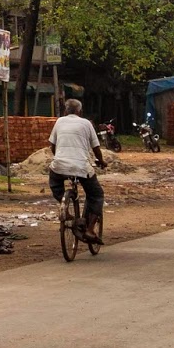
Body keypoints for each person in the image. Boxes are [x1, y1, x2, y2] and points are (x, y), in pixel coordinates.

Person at [47, 97, 106, 242]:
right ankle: (90, 230)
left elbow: (52, 146)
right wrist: (102, 161)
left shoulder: (59, 121)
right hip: (80, 166)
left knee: (55, 183)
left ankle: (64, 207)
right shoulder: (86, 123)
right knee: (96, 194)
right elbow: (95, 147)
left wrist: (60, 157)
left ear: (66, 110)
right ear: (80, 111)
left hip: (59, 165)